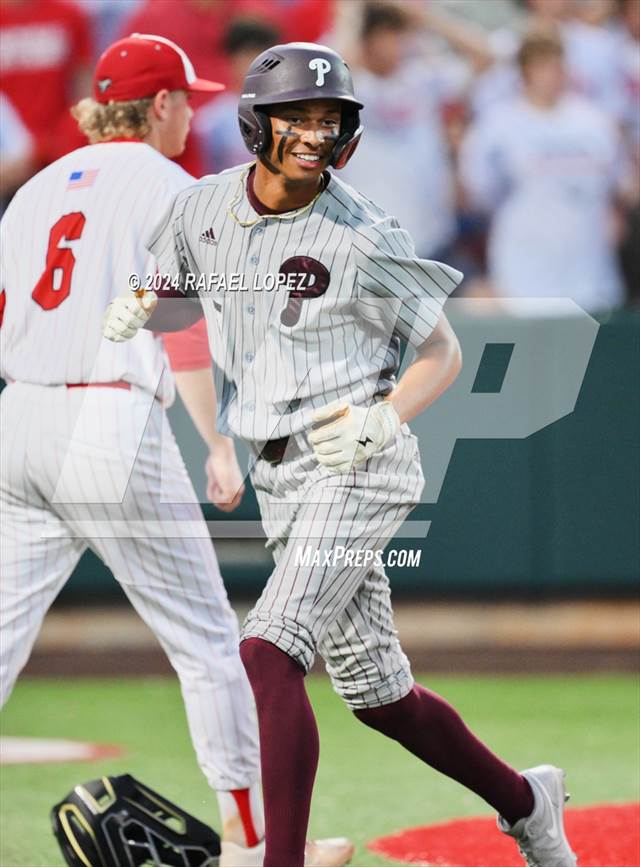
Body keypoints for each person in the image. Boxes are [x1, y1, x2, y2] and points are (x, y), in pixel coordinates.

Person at [103, 40, 579, 867]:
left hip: (358, 462)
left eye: (330, 119)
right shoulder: (203, 206)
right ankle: (527, 801)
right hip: (278, 469)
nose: (316, 133)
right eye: (298, 117)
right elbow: (171, 281)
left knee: (266, 649)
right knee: (380, 696)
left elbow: (443, 353)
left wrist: (382, 420)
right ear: (258, 122)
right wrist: (141, 301)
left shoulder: (363, 231)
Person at [0, 33, 352, 867]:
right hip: (108, 416)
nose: (191, 113)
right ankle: (254, 844)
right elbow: (183, 327)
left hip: (19, 417)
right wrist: (217, 445)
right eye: (185, 99)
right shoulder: (171, 186)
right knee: (207, 643)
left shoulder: (34, 188)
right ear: (158, 105)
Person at [460, 27, 625, 313]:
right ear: (525, 71)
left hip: (589, 270)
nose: (551, 75)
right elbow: (478, 193)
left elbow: (618, 187)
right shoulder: (497, 125)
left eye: (556, 65)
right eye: (542, 66)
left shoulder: (595, 122)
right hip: (524, 267)